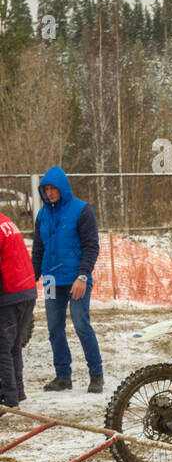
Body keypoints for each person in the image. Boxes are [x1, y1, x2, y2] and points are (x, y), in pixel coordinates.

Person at [31, 166, 104, 393]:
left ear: (63, 188)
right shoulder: (42, 214)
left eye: (53, 188)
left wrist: (83, 276)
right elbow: (38, 250)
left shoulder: (82, 210)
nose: (50, 193)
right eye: (46, 189)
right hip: (52, 280)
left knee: (81, 324)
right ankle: (63, 376)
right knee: (54, 328)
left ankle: (96, 373)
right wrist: (30, 279)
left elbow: (91, 246)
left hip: (76, 279)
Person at [0, 209, 37, 409]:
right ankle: (18, 392)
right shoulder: (6, 222)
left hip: (11, 292)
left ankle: (9, 399)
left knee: (2, 348)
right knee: (13, 346)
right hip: (27, 290)